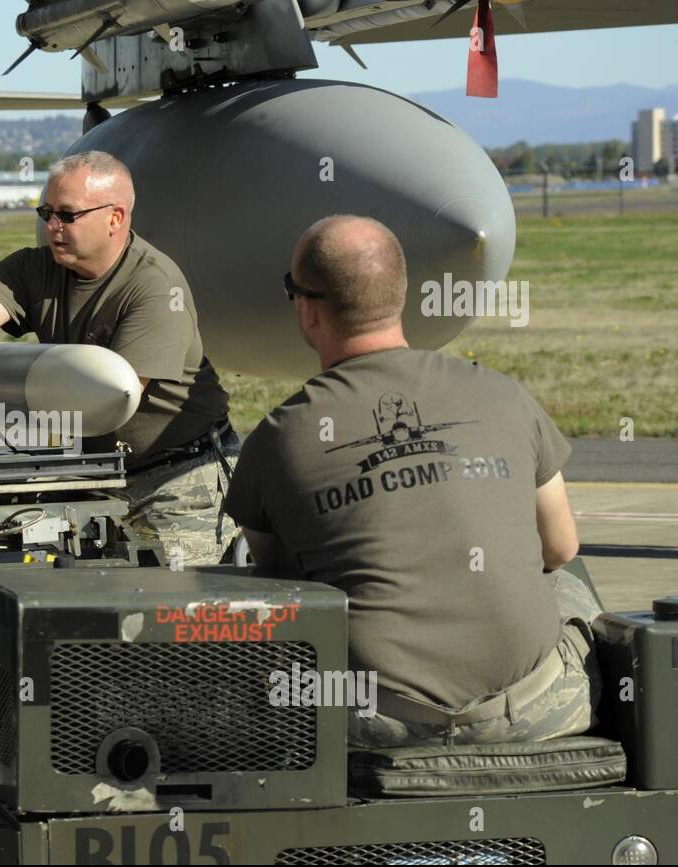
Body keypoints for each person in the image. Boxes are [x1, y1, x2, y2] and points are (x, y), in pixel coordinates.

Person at [223, 214, 603, 748]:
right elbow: (560, 547)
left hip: (376, 723)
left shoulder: (277, 438)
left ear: (307, 308)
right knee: (569, 584)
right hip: (532, 710)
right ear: (399, 295)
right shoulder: (501, 394)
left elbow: (290, 589)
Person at [0, 150, 238, 565]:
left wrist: (2, 423)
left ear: (115, 217)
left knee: (175, 612)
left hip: (179, 479)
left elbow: (112, 398)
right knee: (95, 607)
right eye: (47, 212)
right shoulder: (36, 269)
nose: (52, 227)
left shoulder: (154, 286)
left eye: (67, 215)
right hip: (100, 472)